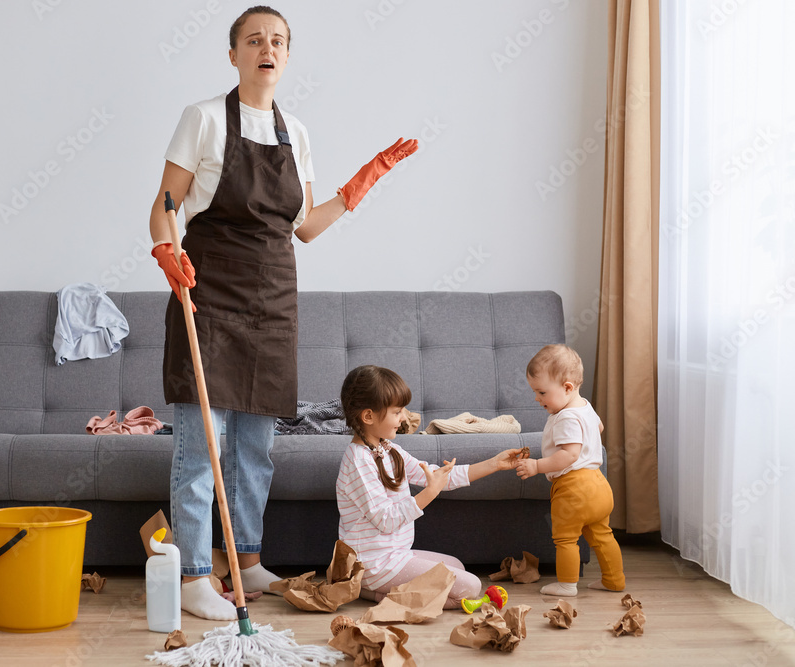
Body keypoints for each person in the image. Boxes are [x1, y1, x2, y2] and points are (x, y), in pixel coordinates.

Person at [147, 6, 418, 621]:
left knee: (254, 451)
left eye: (277, 40)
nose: (266, 48)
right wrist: (167, 247)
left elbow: (306, 228)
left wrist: (360, 184)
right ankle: (193, 574)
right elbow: (165, 203)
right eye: (253, 39)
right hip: (208, 297)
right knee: (202, 449)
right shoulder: (204, 119)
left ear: (287, 55)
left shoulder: (295, 132)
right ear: (234, 52)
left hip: (273, 307)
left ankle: (244, 560)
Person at [336, 365, 525, 609]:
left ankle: (372, 592)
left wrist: (494, 464)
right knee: (470, 587)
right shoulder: (358, 462)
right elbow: (386, 520)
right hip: (375, 564)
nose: (404, 418)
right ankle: (371, 588)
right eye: (397, 412)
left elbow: (438, 475)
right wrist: (429, 493)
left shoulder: (389, 449)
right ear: (368, 416)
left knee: (456, 565)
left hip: (395, 557)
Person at [515, 344, 626, 596]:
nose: (537, 398)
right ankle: (614, 580)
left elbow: (569, 454)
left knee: (565, 539)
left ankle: (566, 584)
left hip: (574, 488)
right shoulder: (584, 406)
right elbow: (598, 428)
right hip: (598, 485)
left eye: (542, 392)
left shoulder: (565, 417)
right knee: (602, 535)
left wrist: (536, 465)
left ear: (567, 387)